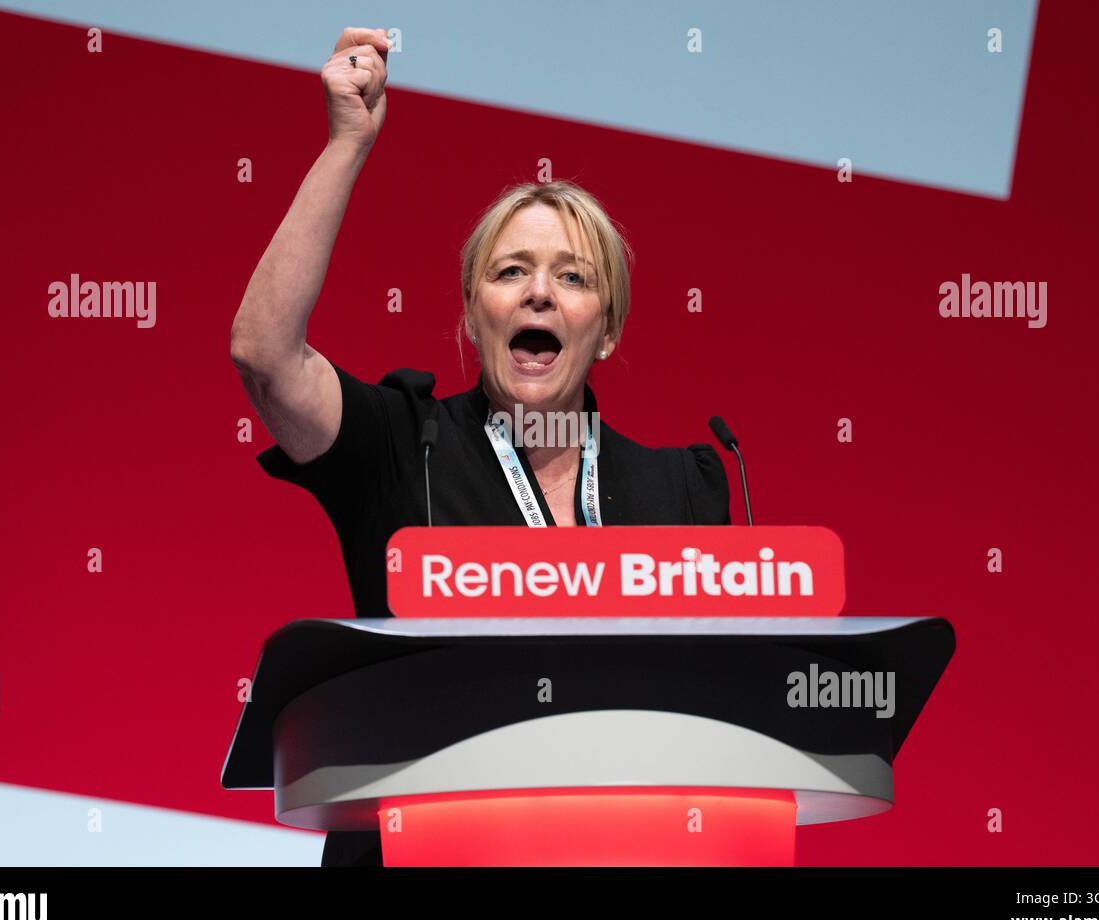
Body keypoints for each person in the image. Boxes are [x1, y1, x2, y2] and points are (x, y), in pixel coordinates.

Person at [229, 26, 732, 867]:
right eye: (509, 273)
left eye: (573, 277)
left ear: (606, 330)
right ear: (472, 316)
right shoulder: (403, 446)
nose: (539, 290)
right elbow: (264, 357)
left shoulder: (683, 489)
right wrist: (347, 144)